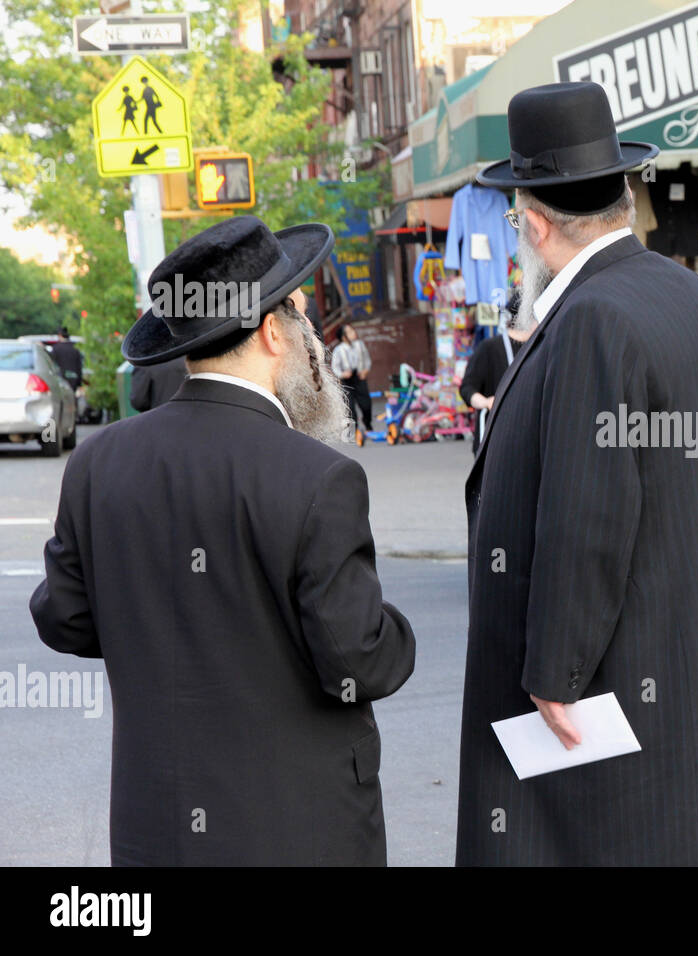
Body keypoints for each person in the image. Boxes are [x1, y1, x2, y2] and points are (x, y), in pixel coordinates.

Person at [459, 81, 698, 866]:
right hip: (688, 662)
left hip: (619, 673)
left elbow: (589, 512)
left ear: (532, 222)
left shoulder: (593, 315)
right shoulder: (684, 292)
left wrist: (556, 670)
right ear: (624, 197)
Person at [29, 215, 416, 866]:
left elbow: (65, 618)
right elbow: (359, 660)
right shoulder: (318, 476)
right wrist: (396, 630)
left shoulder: (100, 461)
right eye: (298, 316)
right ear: (271, 332)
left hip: (156, 829)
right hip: (298, 833)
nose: (308, 338)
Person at [459, 290, 530, 453]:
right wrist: (485, 402)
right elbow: (467, 388)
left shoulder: (543, 346)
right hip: (495, 439)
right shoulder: (489, 348)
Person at [331, 322, 373, 445]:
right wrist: (343, 374)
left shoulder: (360, 345)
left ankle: (368, 423)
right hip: (346, 380)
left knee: (366, 403)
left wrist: (365, 370)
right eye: (349, 332)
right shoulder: (339, 350)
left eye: (352, 330)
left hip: (359, 377)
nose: (353, 333)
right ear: (344, 337)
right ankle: (353, 433)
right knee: (349, 407)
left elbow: (367, 360)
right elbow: (335, 367)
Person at [49, 327, 83, 391]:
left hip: (61, 378)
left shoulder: (56, 348)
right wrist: (79, 382)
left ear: (60, 336)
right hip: (73, 378)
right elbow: (79, 366)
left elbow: (51, 363)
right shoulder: (75, 348)